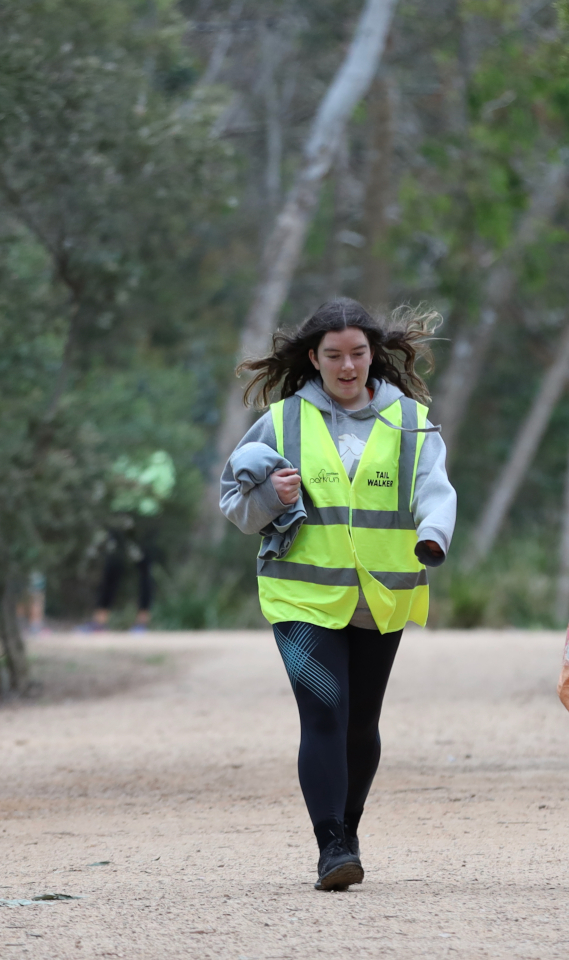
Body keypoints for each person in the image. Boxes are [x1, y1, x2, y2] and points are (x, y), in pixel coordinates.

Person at [220, 298, 456, 892]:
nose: (348, 366)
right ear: (313, 358)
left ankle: (346, 834)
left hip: (381, 597)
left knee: (361, 724)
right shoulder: (280, 423)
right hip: (300, 598)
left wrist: (432, 534)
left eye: (357, 353)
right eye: (334, 356)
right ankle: (331, 846)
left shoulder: (409, 419)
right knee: (324, 713)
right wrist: (272, 495)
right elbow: (237, 507)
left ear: (373, 354)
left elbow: (435, 488)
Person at [88, 451, 176, 632]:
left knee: (145, 569)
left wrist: (138, 487)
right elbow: (111, 485)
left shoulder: (159, 458)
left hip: (146, 519)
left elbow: (163, 493)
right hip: (121, 517)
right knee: (112, 566)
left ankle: (142, 621)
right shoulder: (124, 455)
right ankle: (100, 620)